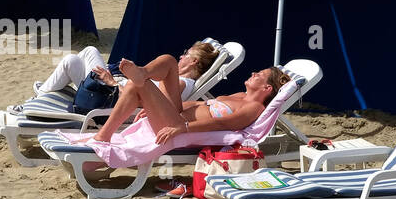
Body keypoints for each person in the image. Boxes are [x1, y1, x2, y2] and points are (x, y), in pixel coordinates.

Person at [94, 64, 291, 142]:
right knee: (170, 62)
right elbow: (200, 106)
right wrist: (153, 109)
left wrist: (183, 128)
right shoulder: (240, 95)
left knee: (136, 85)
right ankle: (143, 72)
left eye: (260, 75)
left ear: (267, 89)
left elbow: (223, 124)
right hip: (176, 115)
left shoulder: (254, 107)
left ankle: (103, 136)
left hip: (175, 125)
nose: (253, 73)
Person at [33, 41, 219, 104]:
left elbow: (147, 103)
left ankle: (39, 97)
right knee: (72, 60)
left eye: (186, 54)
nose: (181, 55)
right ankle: (41, 96)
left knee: (88, 51)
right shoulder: (176, 80)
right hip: (112, 91)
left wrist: (112, 83)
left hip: (111, 97)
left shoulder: (181, 84)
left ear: (194, 61)